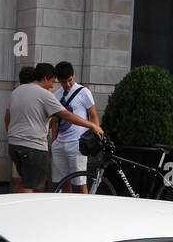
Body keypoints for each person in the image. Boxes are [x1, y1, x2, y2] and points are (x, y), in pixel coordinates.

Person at [6, 62, 102, 193]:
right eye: (52, 81)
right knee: (33, 186)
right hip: (33, 146)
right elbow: (66, 115)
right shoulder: (45, 94)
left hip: (14, 145)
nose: (52, 85)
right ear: (45, 78)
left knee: (22, 182)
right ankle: (30, 212)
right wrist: (91, 125)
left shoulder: (17, 91)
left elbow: (9, 116)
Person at [49, 61, 100, 192]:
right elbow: (55, 121)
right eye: (63, 82)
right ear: (58, 80)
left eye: (70, 81)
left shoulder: (84, 92)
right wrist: (54, 142)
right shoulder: (56, 95)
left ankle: (84, 209)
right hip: (60, 142)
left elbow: (93, 115)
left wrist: (94, 139)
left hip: (77, 143)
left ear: (73, 76)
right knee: (62, 182)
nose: (67, 85)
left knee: (80, 181)